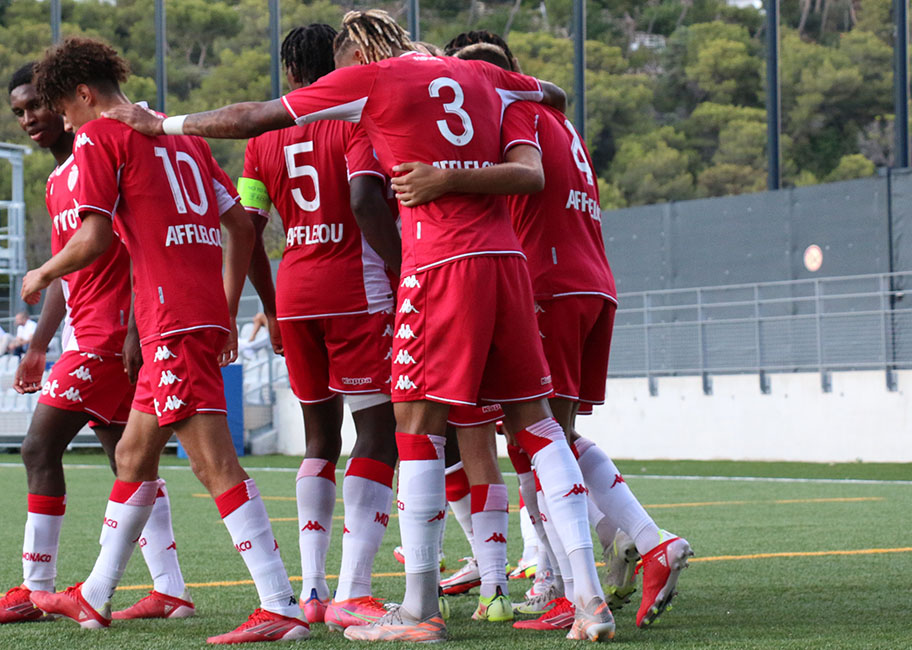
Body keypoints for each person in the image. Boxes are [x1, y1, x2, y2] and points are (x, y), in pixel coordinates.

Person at [100, 9, 612, 643]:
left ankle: (413, 607)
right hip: (506, 262)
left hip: (426, 268)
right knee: (537, 424)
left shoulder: (368, 81)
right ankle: (588, 599)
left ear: (357, 57)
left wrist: (162, 123)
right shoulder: (480, 75)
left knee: (410, 430)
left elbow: (253, 120)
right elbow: (552, 97)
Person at [397, 40, 694, 634]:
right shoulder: (560, 122)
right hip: (590, 281)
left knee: (533, 437)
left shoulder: (512, 113)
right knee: (553, 434)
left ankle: (626, 552)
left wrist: (440, 177)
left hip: (544, 283)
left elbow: (521, 180)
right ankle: (600, 556)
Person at [20, 38, 307, 643]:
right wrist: (223, 307)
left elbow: (95, 237)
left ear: (83, 94)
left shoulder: (101, 135)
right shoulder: (181, 134)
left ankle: (280, 605)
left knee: (213, 464)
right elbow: (240, 227)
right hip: (183, 316)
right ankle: (96, 594)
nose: (66, 123)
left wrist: (44, 271)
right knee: (131, 455)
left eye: (64, 108)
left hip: (170, 316)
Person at [0, 61, 191, 626]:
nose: (28, 118)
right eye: (18, 112)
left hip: (109, 336)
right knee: (128, 462)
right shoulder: (55, 181)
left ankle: (34, 589)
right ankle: (169, 589)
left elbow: (140, 243)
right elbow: (67, 272)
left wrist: (137, 327)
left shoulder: (102, 153)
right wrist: (38, 345)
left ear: (65, 101)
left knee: (38, 449)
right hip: (85, 333)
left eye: (36, 105)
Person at [238, 23, 399, 631]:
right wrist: (405, 270)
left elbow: (247, 231)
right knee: (378, 434)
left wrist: (270, 304)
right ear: (340, 65)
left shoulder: (262, 138)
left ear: (289, 74)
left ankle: (311, 589)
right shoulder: (356, 119)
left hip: (296, 295)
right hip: (356, 292)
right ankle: (355, 591)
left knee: (318, 442)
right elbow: (365, 199)